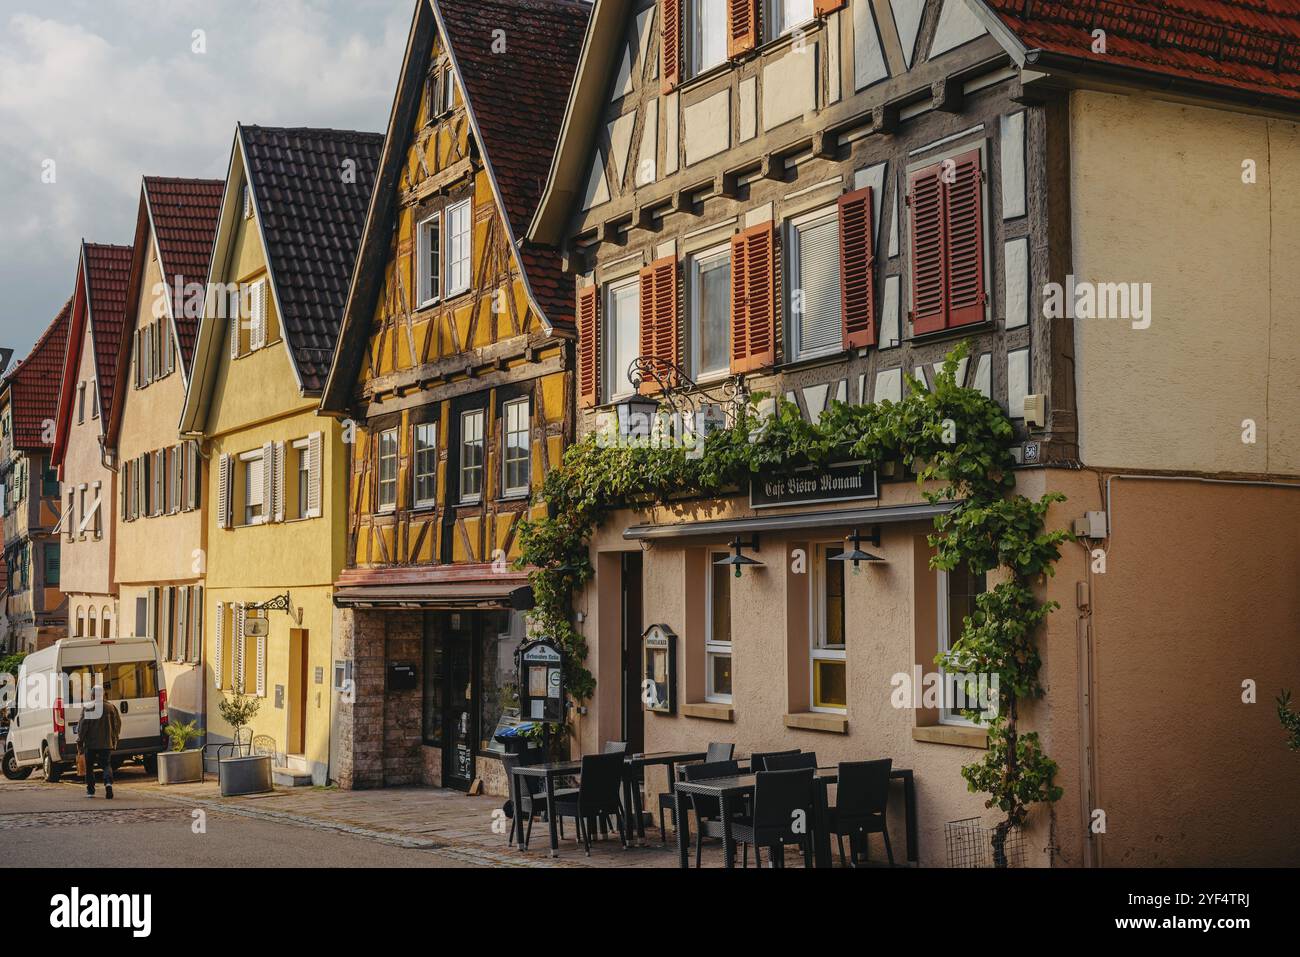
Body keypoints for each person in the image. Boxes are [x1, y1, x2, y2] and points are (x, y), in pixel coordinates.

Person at [77, 684, 121, 799]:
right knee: (106, 764)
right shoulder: (111, 707)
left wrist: (79, 741)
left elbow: (82, 727)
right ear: (103, 695)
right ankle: (108, 784)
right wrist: (115, 739)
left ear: (92, 695)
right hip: (106, 743)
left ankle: (91, 791)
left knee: (90, 766)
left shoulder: (88, 707)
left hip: (90, 744)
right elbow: (117, 725)